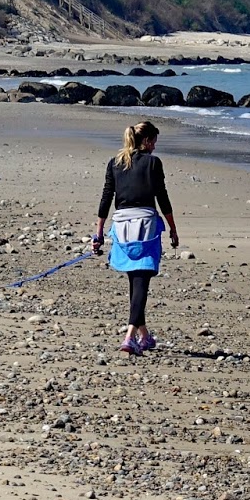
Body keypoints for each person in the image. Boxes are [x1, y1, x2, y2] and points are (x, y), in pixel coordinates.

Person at [92, 120, 179, 355]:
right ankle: (129, 337)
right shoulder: (153, 163)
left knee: (135, 279)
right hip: (146, 225)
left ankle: (144, 337)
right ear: (148, 141)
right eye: (154, 142)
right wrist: (172, 228)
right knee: (142, 279)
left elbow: (106, 198)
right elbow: (162, 197)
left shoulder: (115, 163)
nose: (155, 146)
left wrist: (98, 233)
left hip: (121, 226)